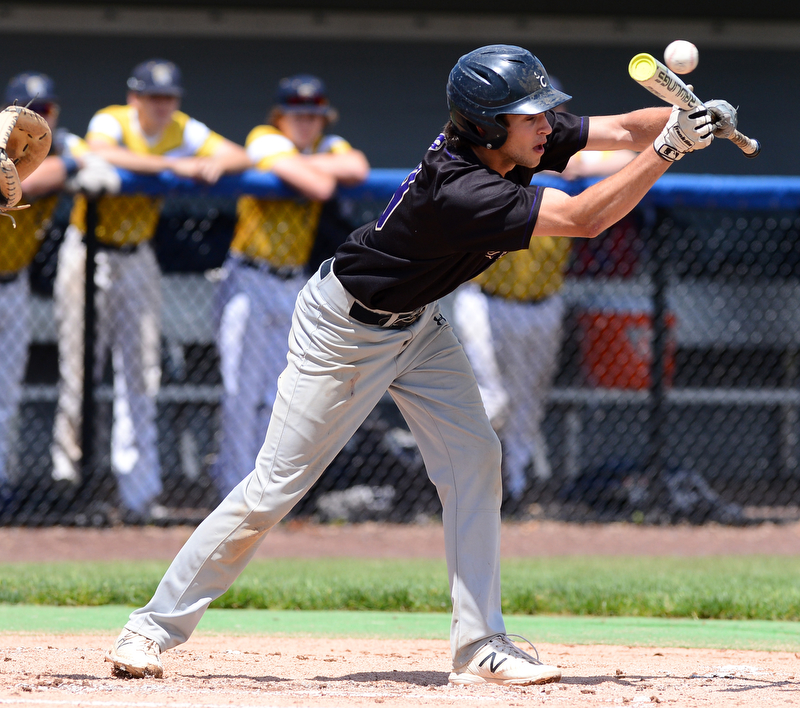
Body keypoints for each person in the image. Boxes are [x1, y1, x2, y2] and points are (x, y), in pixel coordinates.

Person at [105, 44, 735, 685]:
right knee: (274, 487)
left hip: (419, 326)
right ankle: (150, 628)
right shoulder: (460, 189)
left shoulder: (515, 138)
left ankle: (481, 642)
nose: (548, 126)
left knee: (474, 459)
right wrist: (673, 148)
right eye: (532, 117)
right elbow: (583, 216)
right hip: (344, 332)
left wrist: (691, 117)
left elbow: (625, 128)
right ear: (490, 127)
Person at [50, 59, 251, 523]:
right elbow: (98, 152)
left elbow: (241, 156)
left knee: (140, 372)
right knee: (79, 369)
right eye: (153, 97)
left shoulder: (183, 127)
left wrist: (211, 162)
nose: (162, 107)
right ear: (134, 97)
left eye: (169, 98)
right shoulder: (112, 118)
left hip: (138, 254)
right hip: (89, 250)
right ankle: (67, 481)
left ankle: (137, 491)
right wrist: (172, 165)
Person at [451, 80, 637, 507]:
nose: (544, 121)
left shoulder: (564, 152)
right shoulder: (496, 156)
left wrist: (573, 166)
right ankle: (464, 484)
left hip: (542, 305)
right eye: (532, 113)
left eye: (548, 111)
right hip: (487, 300)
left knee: (527, 404)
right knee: (492, 399)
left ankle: (511, 490)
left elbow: (626, 156)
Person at [211, 74, 369, 499]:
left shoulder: (321, 147)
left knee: (279, 392)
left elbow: (357, 167)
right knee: (240, 393)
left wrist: (299, 165)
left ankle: (265, 492)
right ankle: (232, 488)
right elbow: (320, 186)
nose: (305, 123)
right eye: (296, 115)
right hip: (248, 275)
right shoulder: (263, 138)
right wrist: (301, 167)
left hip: (292, 282)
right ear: (280, 117)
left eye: (314, 115)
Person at [0, 72, 112, 515]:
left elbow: (93, 154)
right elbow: (20, 184)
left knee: (6, 394)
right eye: (27, 113)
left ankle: (3, 485)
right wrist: (71, 167)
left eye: (44, 113)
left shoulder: (63, 143)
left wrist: (81, 158)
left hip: (14, 284)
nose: (36, 123)